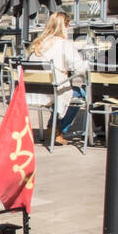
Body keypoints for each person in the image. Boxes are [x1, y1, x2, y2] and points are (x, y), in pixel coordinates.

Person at [26, 12, 89, 145]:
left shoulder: (38, 43)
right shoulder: (64, 44)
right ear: (65, 26)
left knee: (62, 87)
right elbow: (79, 68)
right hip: (52, 90)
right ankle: (58, 127)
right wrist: (88, 63)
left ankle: (53, 125)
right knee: (80, 93)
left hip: (32, 91)